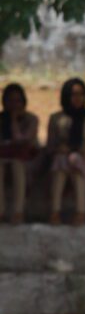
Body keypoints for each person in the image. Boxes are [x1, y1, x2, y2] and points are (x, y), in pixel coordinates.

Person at [46, 77, 85, 227]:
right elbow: (49, 146)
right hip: (62, 159)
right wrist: (59, 148)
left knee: (75, 160)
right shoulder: (56, 118)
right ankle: (55, 211)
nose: (77, 98)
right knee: (62, 160)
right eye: (73, 94)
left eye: (81, 94)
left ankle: (81, 212)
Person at [0, 82, 40, 223]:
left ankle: (18, 211)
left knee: (17, 165)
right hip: (5, 158)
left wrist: (13, 121)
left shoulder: (31, 119)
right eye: (10, 100)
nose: (14, 104)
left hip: (27, 160)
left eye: (17, 101)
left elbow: (23, 141)